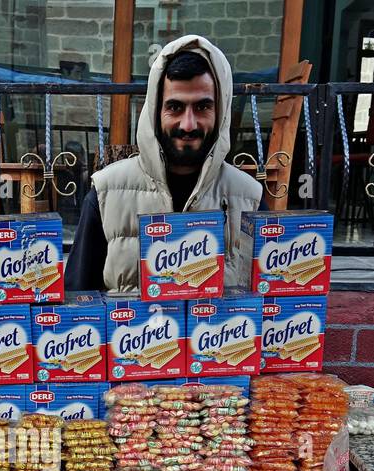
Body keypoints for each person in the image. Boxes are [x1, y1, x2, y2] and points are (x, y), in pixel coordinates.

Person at [65, 35, 262, 293]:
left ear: (221, 111)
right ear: (155, 111)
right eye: (175, 107)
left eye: (203, 107)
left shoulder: (249, 200)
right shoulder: (106, 195)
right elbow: (77, 303)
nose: (188, 124)